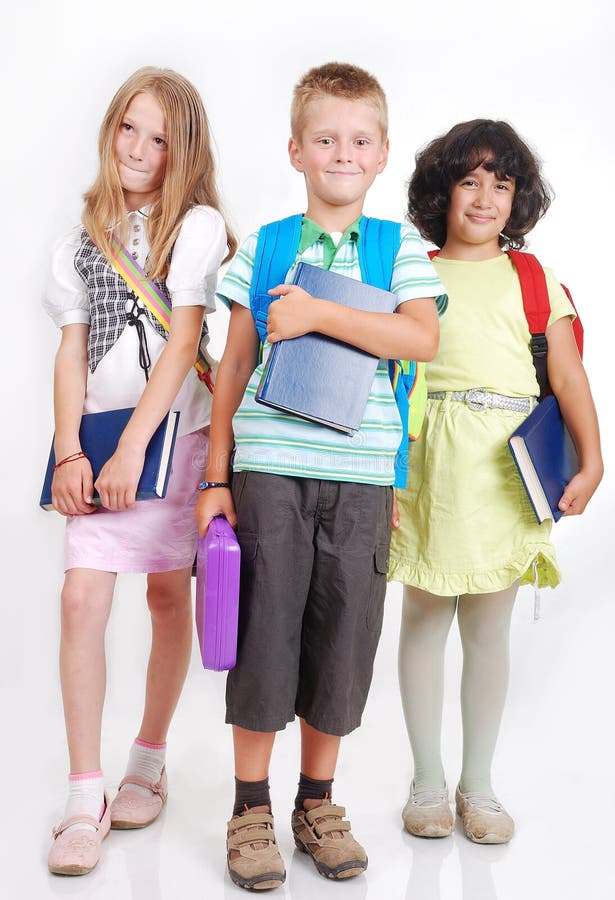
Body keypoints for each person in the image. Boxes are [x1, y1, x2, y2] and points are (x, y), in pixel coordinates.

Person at [195, 61, 444, 890]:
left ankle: (317, 801)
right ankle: (250, 808)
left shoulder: (396, 246)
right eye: (326, 138)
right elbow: (231, 369)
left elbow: (419, 339)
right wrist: (214, 481)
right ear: (296, 150)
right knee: (264, 636)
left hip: (362, 476)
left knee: (342, 641)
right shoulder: (265, 248)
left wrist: (319, 314)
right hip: (269, 473)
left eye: (360, 139)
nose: (344, 151)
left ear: (382, 156)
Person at [43, 66, 235, 876]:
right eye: (130, 127)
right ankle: (84, 790)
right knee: (82, 596)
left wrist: (132, 451)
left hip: (168, 440)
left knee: (164, 591)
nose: (139, 148)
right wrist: (70, 449)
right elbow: (70, 351)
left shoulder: (194, 225)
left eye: (160, 138)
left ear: (181, 152)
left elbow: (185, 344)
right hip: (97, 439)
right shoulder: (80, 237)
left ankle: (148, 757)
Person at [389, 119, 603, 844]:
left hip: (507, 469)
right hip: (429, 461)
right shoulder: (408, 272)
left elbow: (567, 375)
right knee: (423, 620)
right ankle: (424, 781)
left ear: (519, 197)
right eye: (468, 180)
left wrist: (592, 458)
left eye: (500, 183)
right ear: (440, 191)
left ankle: (475, 786)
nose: (483, 197)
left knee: (487, 629)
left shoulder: (534, 279)